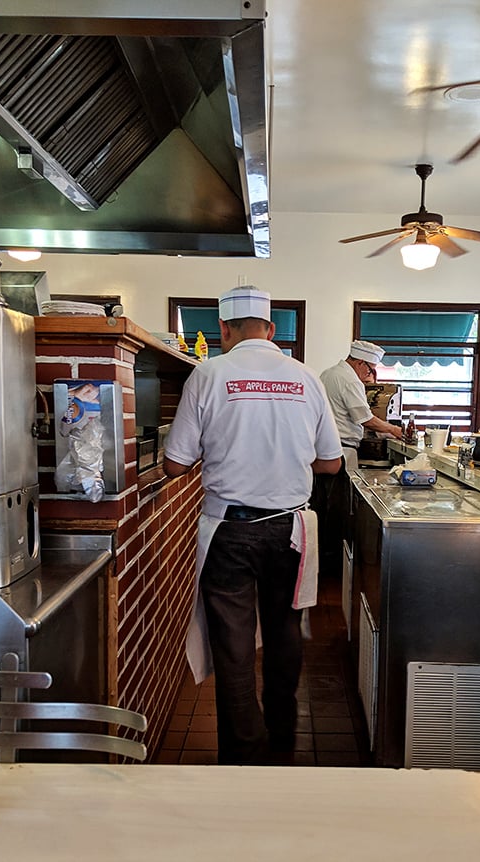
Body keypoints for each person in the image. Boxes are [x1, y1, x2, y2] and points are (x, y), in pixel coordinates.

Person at [163, 284, 343, 766]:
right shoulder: (306, 378)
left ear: (223, 330)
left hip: (229, 531)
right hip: (291, 530)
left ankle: (243, 756)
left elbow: (175, 466)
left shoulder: (208, 373)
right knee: (285, 633)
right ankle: (283, 741)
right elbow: (330, 463)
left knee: (234, 646)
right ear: (271, 329)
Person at [320, 340, 403, 470]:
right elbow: (366, 419)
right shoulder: (350, 380)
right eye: (371, 371)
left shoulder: (328, 373)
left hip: (323, 447)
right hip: (342, 450)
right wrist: (394, 430)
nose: (368, 376)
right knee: (340, 489)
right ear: (360, 363)